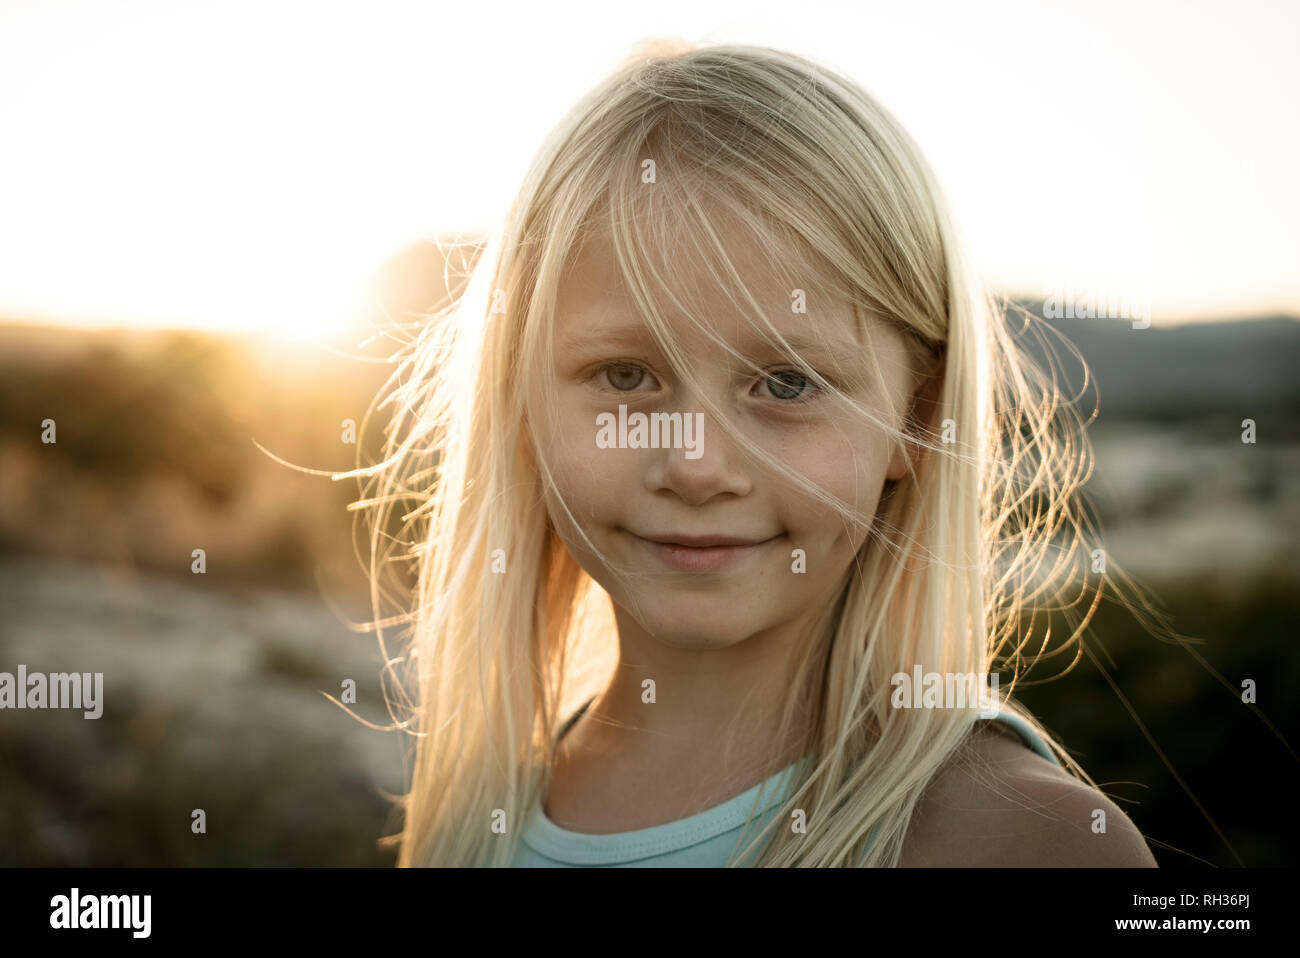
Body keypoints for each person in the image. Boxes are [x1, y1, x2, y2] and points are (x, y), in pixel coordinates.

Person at [355, 39, 1158, 867]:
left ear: (916, 418)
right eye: (625, 375)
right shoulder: (476, 813)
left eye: (786, 383)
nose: (696, 465)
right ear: (522, 404)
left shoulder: (1023, 844)